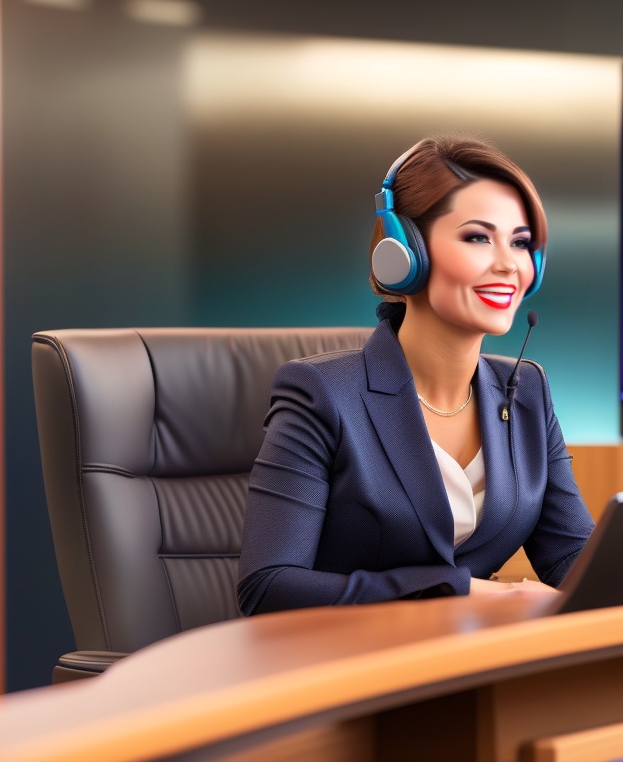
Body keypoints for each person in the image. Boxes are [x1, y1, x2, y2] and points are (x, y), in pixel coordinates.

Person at [237, 134, 595, 616]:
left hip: (469, 665)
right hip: (338, 666)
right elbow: (268, 587)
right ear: (403, 253)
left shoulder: (526, 390)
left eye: (521, 243)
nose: (509, 264)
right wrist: (463, 589)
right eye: (477, 237)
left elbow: (573, 557)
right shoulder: (323, 395)